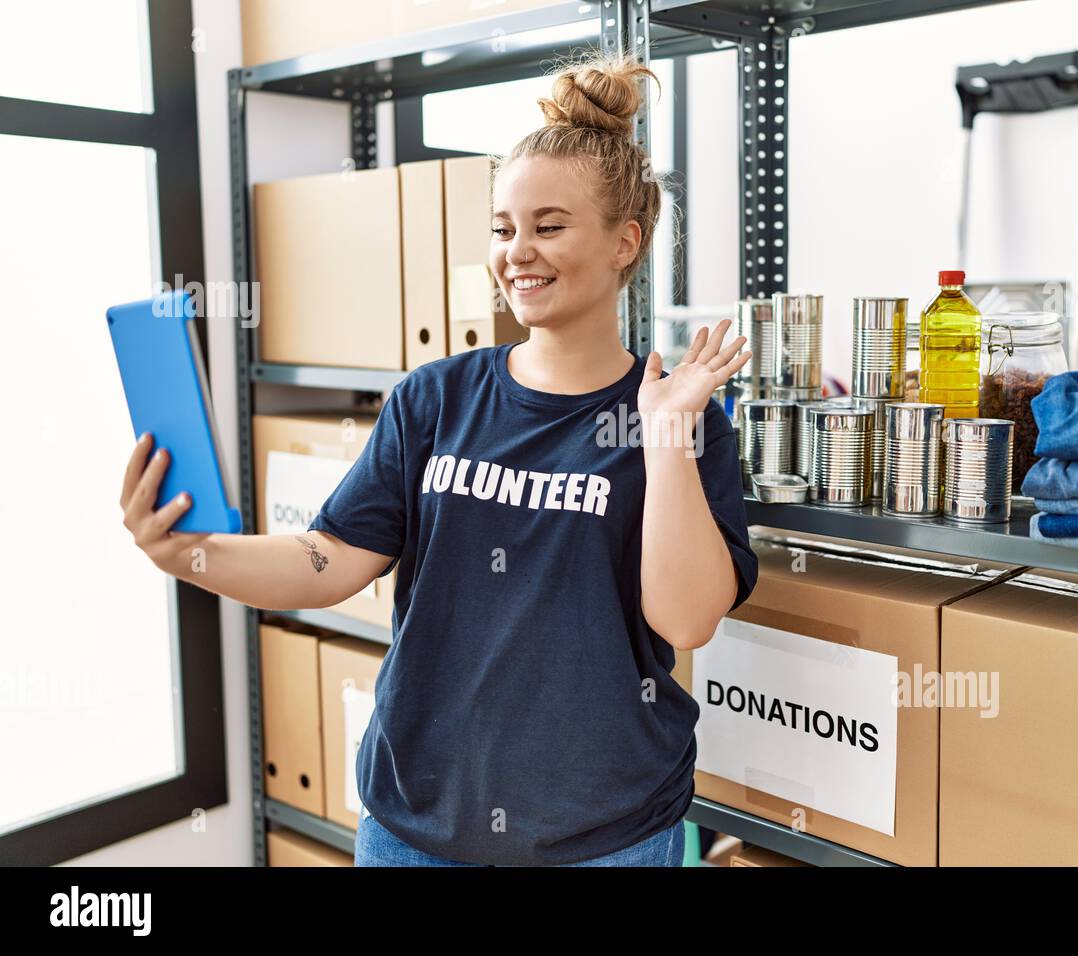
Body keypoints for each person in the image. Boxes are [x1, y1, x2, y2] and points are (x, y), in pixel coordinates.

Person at [119, 53, 759, 867]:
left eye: (549, 226)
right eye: (502, 228)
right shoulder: (435, 399)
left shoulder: (678, 416)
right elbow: (326, 562)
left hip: (604, 837)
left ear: (623, 242)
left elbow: (688, 618)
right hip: (412, 828)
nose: (517, 252)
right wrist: (188, 553)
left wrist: (666, 441)